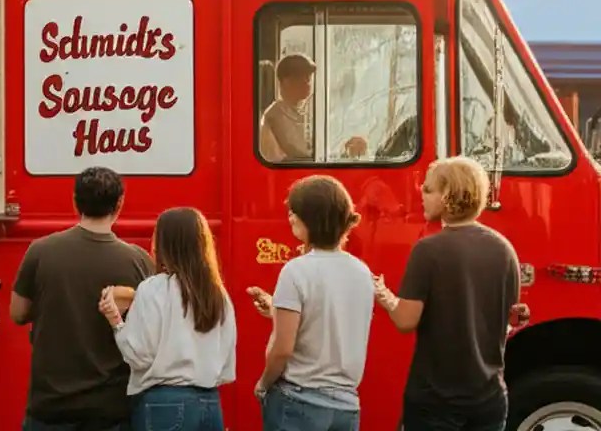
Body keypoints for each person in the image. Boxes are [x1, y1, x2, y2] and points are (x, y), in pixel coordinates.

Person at [373, 157, 528, 431]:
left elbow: (405, 321)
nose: (421, 193)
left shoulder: (428, 250)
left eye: (428, 189)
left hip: (436, 401)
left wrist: (382, 294)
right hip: (490, 397)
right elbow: (507, 322)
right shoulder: (504, 249)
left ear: (447, 196)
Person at [11, 166, 155, 431]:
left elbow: (18, 313)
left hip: (51, 408)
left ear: (75, 201)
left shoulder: (41, 251)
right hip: (112, 410)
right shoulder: (139, 261)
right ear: (120, 203)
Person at [246, 175, 374, 430]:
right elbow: (332, 321)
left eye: (295, 211)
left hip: (298, 399)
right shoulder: (361, 272)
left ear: (311, 218)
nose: (290, 216)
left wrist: (263, 384)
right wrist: (276, 309)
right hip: (346, 405)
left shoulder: (295, 271)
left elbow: (283, 349)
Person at [99, 207, 237, 431]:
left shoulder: (153, 288)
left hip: (164, 403)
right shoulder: (217, 293)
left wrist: (116, 321)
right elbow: (227, 359)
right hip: (210, 402)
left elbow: (139, 355)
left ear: (164, 244)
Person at [259, 53, 368, 163]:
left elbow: (313, 150)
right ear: (287, 81)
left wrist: (345, 151)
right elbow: (300, 154)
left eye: (309, 78)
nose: (308, 83)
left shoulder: (300, 112)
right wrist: (340, 157)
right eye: (304, 78)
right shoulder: (276, 114)